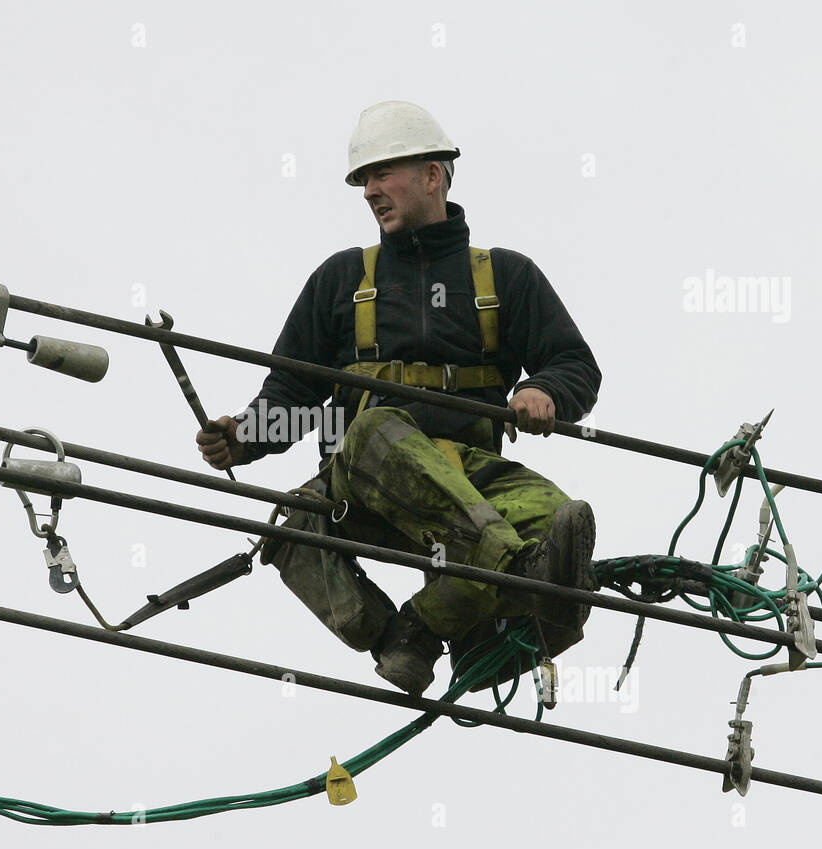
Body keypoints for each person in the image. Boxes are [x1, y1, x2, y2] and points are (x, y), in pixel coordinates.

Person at [197, 101, 601, 697]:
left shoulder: (505, 277)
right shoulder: (342, 279)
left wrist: (544, 389)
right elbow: (294, 391)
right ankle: (435, 615)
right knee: (340, 471)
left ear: (432, 175)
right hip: (360, 484)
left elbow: (575, 365)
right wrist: (245, 437)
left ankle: (429, 630)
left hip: (467, 481)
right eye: (364, 181)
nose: (369, 191)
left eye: (382, 174)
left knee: (557, 520)